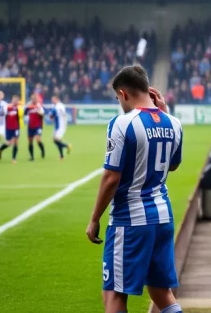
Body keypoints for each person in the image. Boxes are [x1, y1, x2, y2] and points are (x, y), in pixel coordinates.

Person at [86, 65, 183, 313]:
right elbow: (172, 166)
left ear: (123, 93)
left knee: (114, 293)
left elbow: (110, 178)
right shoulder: (174, 122)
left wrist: (95, 218)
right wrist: (164, 113)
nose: (120, 103)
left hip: (130, 220)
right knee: (161, 291)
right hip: (163, 217)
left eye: (119, 98)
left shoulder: (122, 123)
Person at [0, 95, 21, 163]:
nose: (15, 101)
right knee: (9, 143)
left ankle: (14, 158)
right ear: (12, 100)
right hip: (8, 128)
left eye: (16, 100)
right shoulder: (7, 107)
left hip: (16, 128)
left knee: (15, 142)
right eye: (14, 100)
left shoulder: (19, 108)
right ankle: (0, 149)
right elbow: (2, 114)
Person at [49, 95, 72, 160]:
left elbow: (63, 114)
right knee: (55, 140)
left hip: (60, 126)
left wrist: (65, 123)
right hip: (56, 126)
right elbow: (52, 116)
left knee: (56, 140)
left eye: (53, 100)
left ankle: (67, 146)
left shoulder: (60, 106)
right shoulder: (55, 106)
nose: (52, 101)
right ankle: (62, 155)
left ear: (57, 99)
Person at [25, 93, 45, 161]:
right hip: (30, 126)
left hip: (38, 126)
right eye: (33, 98)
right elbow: (24, 113)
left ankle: (42, 150)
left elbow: (42, 114)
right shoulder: (29, 106)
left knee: (38, 139)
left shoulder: (39, 106)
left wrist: (39, 113)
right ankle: (32, 157)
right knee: (30, 141)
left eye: (35, 98)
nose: (34, 99)